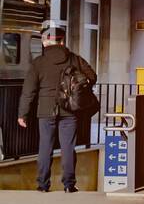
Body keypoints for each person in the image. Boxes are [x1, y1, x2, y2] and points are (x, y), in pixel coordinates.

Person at [16, 25, 97, 193]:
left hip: (45, 110)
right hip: (69, 109)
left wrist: (22, 114)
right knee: (68, 146)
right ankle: (69, 184)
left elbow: (28, 90)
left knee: (45, 146)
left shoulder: (39, 62)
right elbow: (92, 76)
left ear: (46, 42)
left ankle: (43, 185)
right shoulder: (74, 59)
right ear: (62, 42)